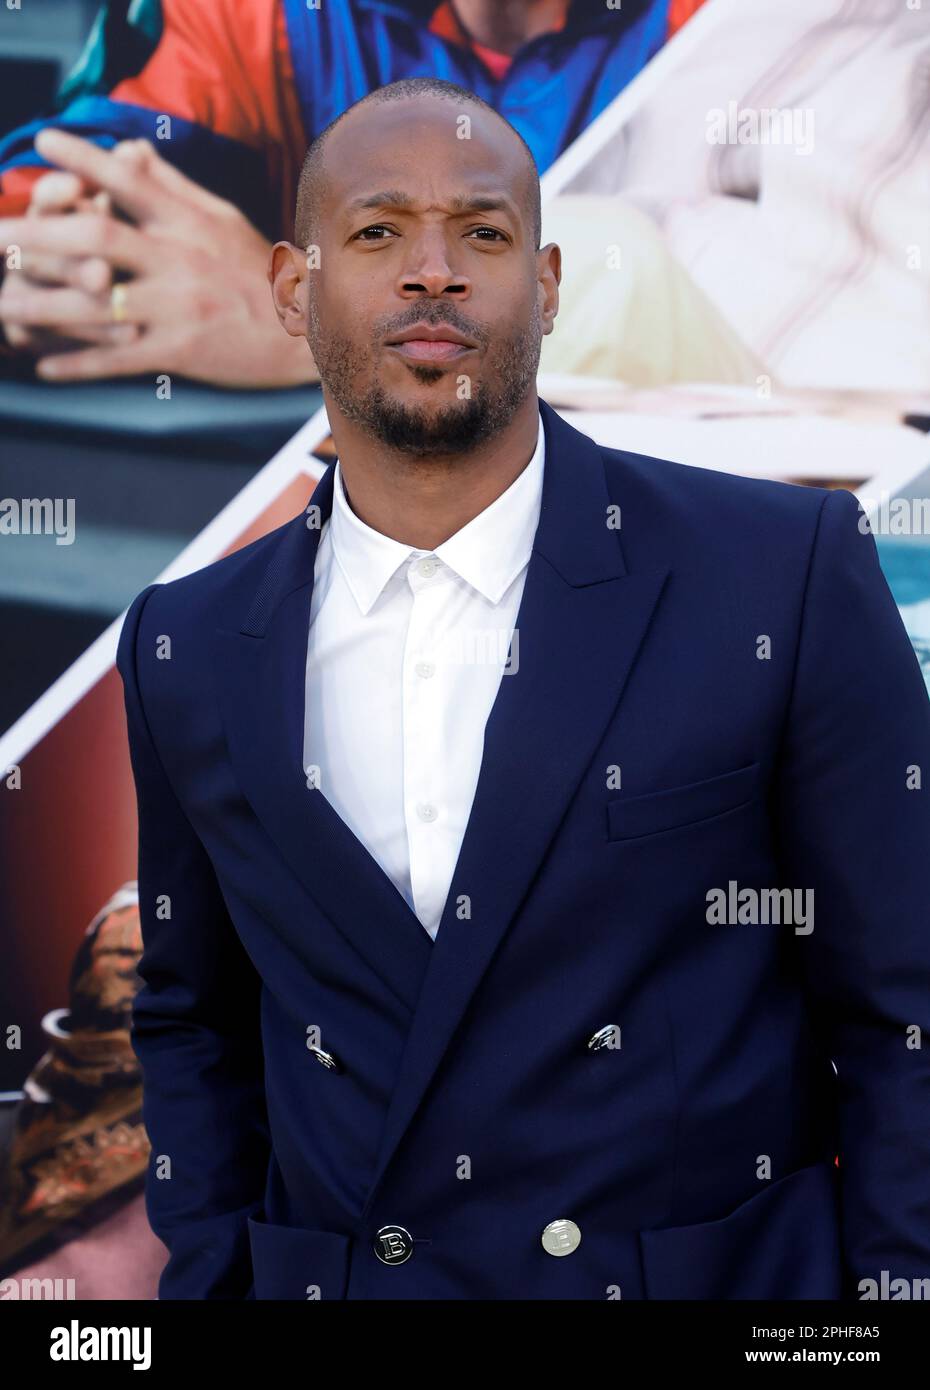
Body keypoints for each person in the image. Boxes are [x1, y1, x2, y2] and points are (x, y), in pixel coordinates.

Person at [116, 77, 930, 1300]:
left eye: (482, 234)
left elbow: (902, 1007)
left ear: (546, 286)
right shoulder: (185, 643)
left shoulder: (779, 575)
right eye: (380, 231)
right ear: (292, 286)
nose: (433, 271)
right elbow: (195, 1019)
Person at [0, 0, 703, 385]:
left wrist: (307, 328)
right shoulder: (259, 15)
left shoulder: (725, 24)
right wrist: (62, 253)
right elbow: (44, 198)